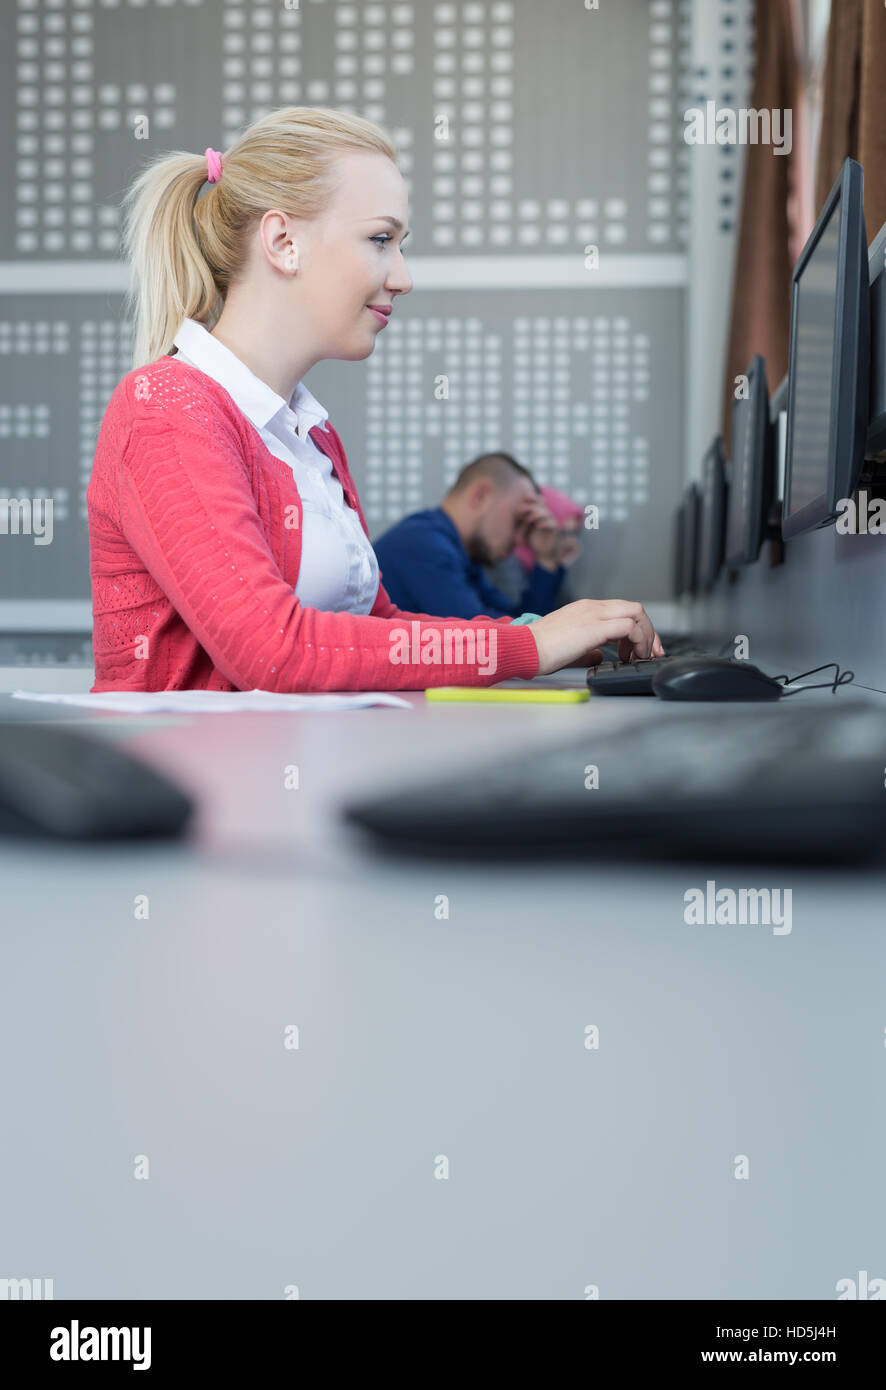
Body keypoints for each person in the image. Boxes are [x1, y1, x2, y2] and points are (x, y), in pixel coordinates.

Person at [87, 106, 662, 692]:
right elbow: (271, 649)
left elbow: (375, 627)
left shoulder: (310, 435)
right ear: (283, 242)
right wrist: (524, 648)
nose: (403, 278)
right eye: (380, 240)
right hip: (192, 755)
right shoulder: (165, 407)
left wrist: (539, 634)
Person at [371, 454, 571, 620]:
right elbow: (488, 638)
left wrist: (546, 560)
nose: (520, 541)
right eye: (518, 520)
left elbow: (520, 623)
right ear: (480, 496)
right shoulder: (422, 544)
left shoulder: (463, 556)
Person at [487, 484, 586, 612]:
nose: (570, 542)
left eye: (574, 534)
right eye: (562, 533)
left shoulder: (550, 563)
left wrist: (553, 564)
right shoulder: (505, 559)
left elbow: (567, 609)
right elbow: (527, 618)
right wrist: (546, 563)